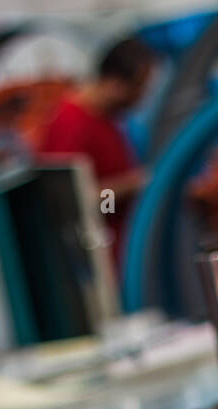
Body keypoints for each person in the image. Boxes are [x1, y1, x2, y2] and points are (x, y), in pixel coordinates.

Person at [37, 37, 155, 258]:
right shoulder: (70, 124)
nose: (142, 97)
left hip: (125, 251)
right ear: (116, 84)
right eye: (140, 88)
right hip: (100, 261)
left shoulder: (107, 118)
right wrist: (132, 185)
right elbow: (69, 201)